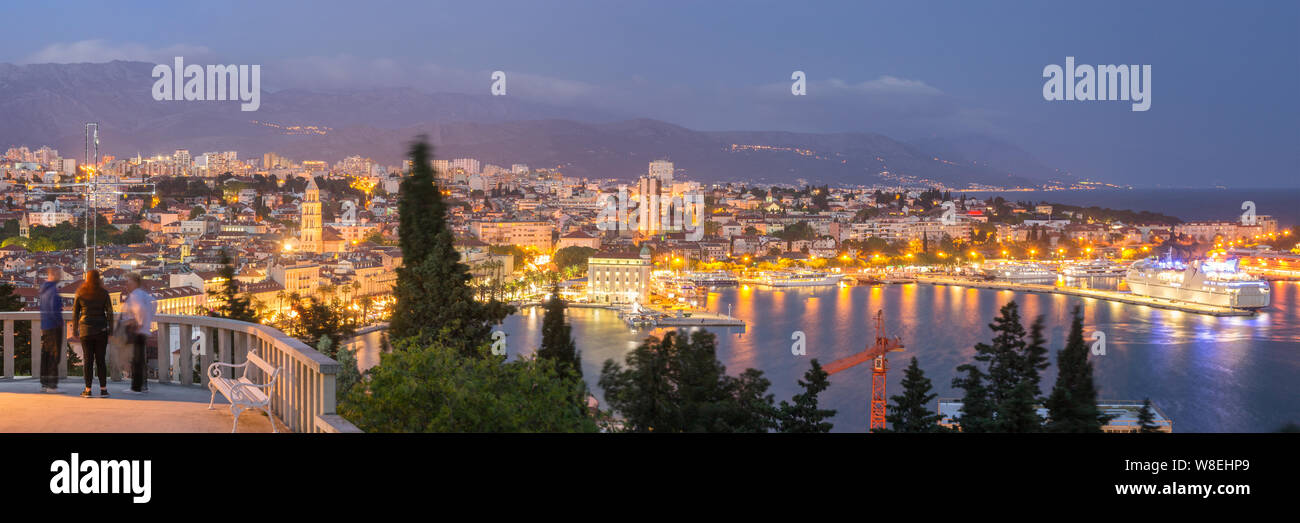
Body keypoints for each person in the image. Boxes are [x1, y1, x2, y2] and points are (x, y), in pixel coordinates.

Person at [72, 269, 113, 398]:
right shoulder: (104, 293)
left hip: (86, 330)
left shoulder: (81, 292)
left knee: (88, 360)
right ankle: (103, 389)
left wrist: (75, 330)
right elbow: (110, 313)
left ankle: (88, 389)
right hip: (101, 330)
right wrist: (110, 330)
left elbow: (75, 313)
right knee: (101, 360)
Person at [121, 273, 156, 394]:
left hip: (137, 330)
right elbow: (154, 303)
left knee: (137, 359)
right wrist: (148, 320)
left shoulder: (135, 295)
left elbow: (140, 308)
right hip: (144, 330)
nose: (126, 285)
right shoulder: (144, 294)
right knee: (141, 359)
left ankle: (136, 387)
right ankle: (143, 385)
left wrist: (138, 322)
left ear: (135, 283)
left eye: (129, 282)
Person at [38, 266, 64, 393]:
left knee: (46, 355)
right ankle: (52, 385)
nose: (61, 276)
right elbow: (55, 311)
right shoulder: (53, 291)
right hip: (54, 326)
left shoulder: (44, 289)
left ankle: (44, 383)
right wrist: (60, 323)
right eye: (59, 274)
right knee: (54, 355)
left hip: (46, 326)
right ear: (53, 275)